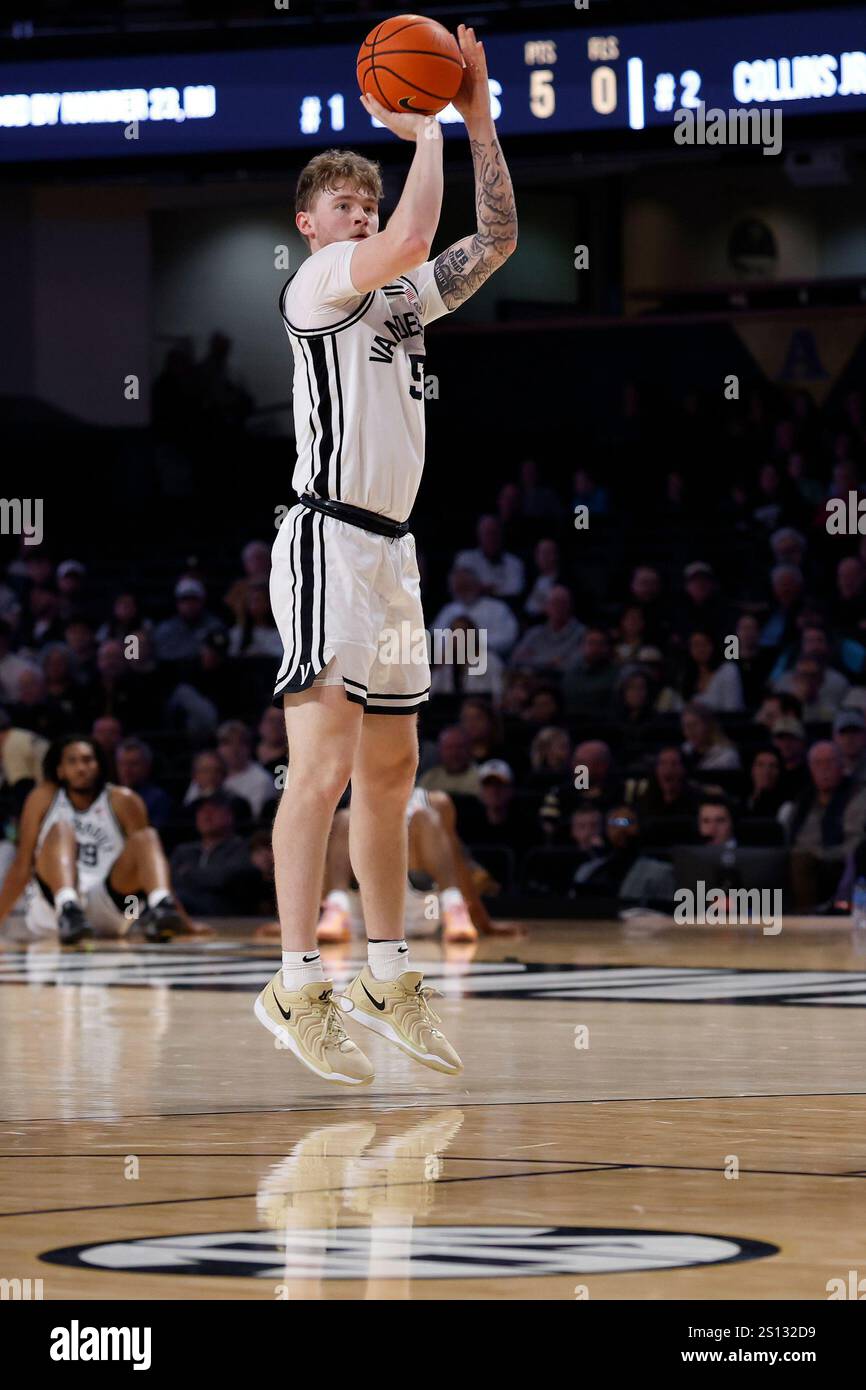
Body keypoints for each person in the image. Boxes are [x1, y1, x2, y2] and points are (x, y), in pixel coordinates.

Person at [259, 25, 517, 1085]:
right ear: (309, 223)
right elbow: (413, 238)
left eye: (365, 202)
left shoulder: (403, 299)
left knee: (392, 772)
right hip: (323, 532)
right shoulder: (320, 283)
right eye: (342, 204)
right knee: (317, 767)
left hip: (393, 553)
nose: (358, 214)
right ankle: (289, 980)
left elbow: (492, 238)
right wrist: (422, 134)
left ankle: (383, 970)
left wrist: (477, 117)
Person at [0, 734, 195, 945]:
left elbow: (150, 863)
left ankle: (162, 907)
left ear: (100, 765)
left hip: (112, 907)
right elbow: (22, 865)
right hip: (51, 909)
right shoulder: (42, 798)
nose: (81, 768)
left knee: (147, 837)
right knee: (61, 829)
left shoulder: (124, 800)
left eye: (87, 760)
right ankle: (69, 908)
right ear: (60, 770)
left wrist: (185, 921)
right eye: (72, 761)